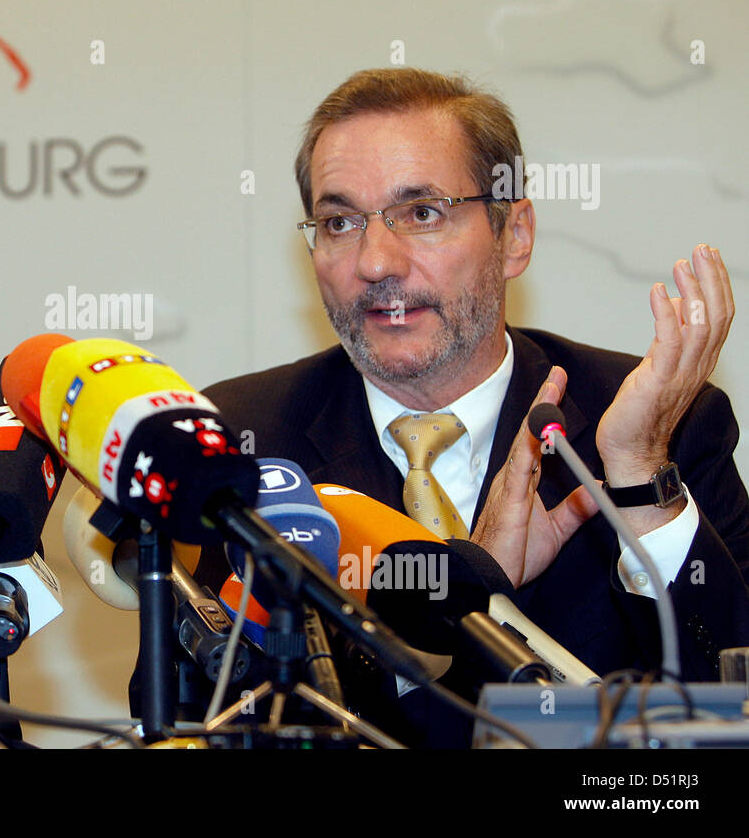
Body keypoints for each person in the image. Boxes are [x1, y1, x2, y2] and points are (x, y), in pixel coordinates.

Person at [202, 67, 749, 745]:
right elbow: (200, 714)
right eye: (339, 222)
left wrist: (638, 476)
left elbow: (729, 705)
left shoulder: (660, 425)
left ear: (514, 234)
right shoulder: (240, 441)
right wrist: (465, 590)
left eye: (421, 213)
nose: (375, 263)